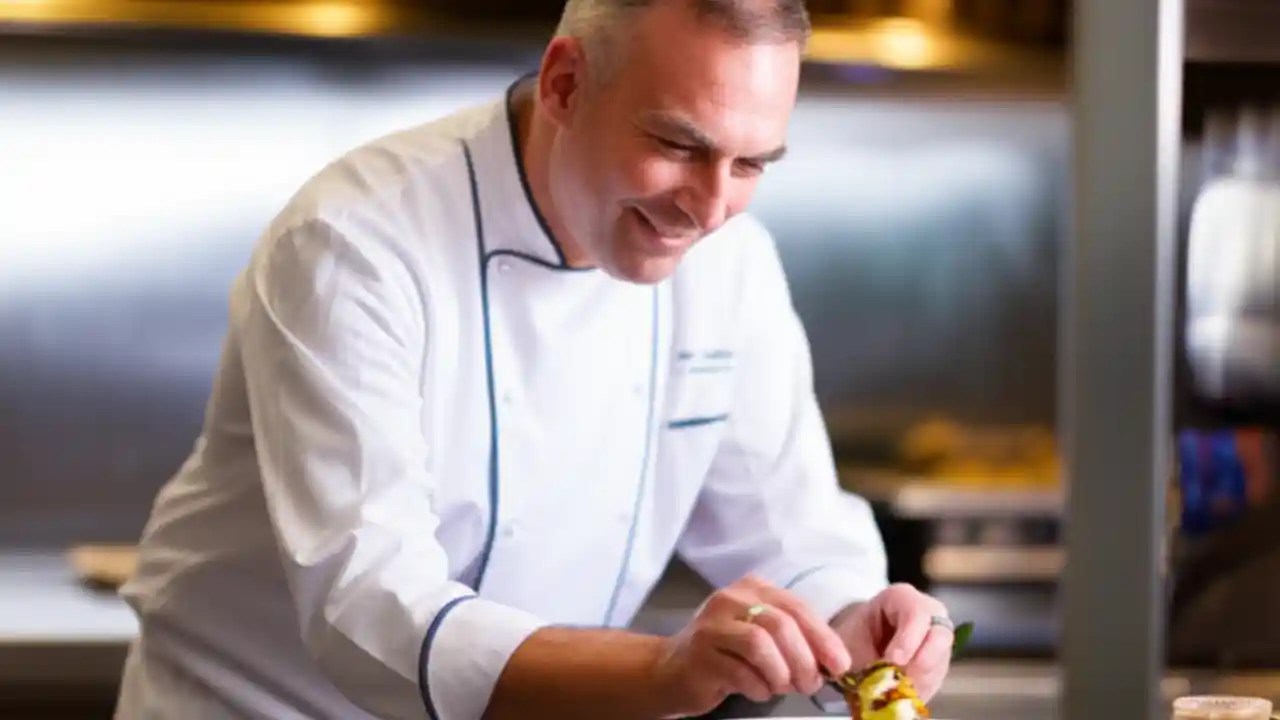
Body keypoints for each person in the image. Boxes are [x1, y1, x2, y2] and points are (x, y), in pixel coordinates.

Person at [115, 1, 956, 718]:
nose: (708, 208)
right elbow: (367, 609)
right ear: (564, 83)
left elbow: (789, 529)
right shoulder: (357, 243)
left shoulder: (731, 266)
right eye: (677, 143)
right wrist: (665, 672)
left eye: (748, 165)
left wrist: (853, 619)